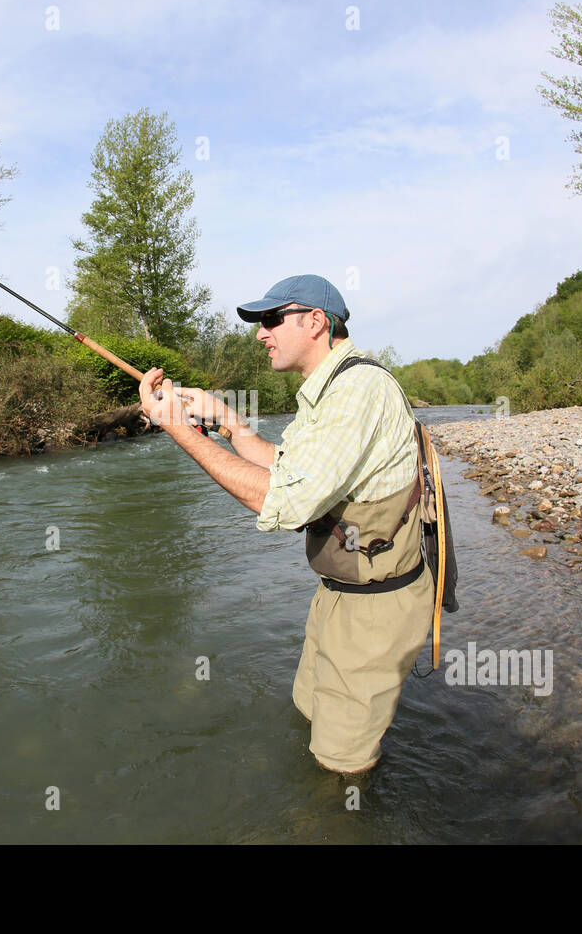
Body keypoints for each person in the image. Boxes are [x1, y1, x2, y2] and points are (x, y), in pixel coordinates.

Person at [138, 273, 435, 774]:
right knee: (310, 711)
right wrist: (229, 423)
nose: (260, 332)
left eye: (272, 319)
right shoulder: (329, 389)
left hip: (376, 607)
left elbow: (285, 501)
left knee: (342, 762)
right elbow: (289, 466)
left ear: (316, 322)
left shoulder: (358, 390)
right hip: (342, 590)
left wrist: (177, 429)